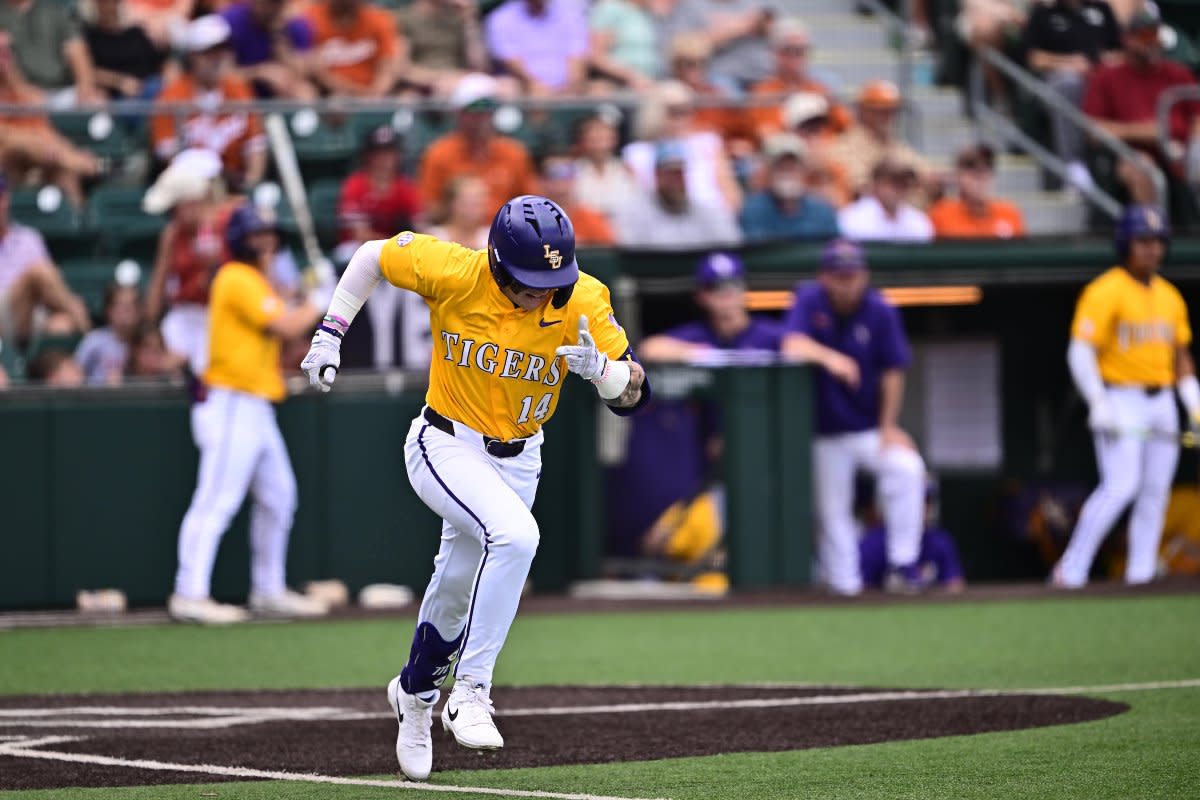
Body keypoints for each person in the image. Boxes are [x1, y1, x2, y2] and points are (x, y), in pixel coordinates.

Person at [299, 194, 649, 780]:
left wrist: (607, 374)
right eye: (531, 281)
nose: (543, 293)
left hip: (521, 456)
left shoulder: (584, 298)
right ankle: (471, 691)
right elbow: (371, 256)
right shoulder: (457, 272)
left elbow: (636, 394)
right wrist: (331, 331)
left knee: (457, 586)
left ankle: (414, 695)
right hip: (445, 442)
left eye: (553, 279)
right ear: (499, 264)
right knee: (516, 537)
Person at [169, 203, 333, 625]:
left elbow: (283, 305)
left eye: (269, 234)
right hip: (231, 402)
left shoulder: (257, 281)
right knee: (216, 500)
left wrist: (311, 287)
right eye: (257, 234)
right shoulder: (235, 276)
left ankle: (268, 589)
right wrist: (322, 301)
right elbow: (285, 326)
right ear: (241, 239)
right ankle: (189, 593)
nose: (266, 242)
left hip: (256, 405)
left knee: (279, 497)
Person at [1051, 205, 1198, 588]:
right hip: (1120, 396)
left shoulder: (1170, 296)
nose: (1152, 249)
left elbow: (1181, 357)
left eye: (1158, 242)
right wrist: (1098, 401)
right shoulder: (1105, 290)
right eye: (1143, 241)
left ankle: (1141, 573)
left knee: (1155, 493)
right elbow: (1080, 350)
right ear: (1126, 243)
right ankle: (1071, 569)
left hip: (1162, 400)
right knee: (1120, 486)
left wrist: (1194, 406)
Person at [781, 239, 927, 596]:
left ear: (865, 275)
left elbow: (894, 371)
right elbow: (791, 345)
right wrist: (831, 358)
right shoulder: (809, 298)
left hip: (868, 429)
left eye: (853, 275)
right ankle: (846, 585)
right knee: (833, 510)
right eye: (840, 275)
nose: (848, 283)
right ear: (825, 277)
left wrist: (889, 426)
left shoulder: (881, 309)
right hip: (824, 432)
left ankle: (903, 563)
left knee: (908, 468)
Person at [1082, 2, 1200, 203]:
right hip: (1130, 154)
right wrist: (1148, 132)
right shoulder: (1108, 76)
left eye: (1156, 36)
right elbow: (1092, 131)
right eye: (1146, 36)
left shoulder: (1178, 73)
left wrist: (1193, 144)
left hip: (1181, 153)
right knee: (1141, 167)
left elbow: (1197, 115)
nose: (1153, 43)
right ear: (1128, 39)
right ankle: (1152, 223)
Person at [151, 15, 267, 191]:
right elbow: (168, 156)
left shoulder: (239, 89)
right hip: (190, 188)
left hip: (235, 185)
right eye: (210, 53)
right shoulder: (172, 96)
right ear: (193, 56)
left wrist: (250, 185)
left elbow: (255, 145)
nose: (218, 59)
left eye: (224, 50)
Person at [143, 148, 230, 376]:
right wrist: (150, 328)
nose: (174, 214)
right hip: (184, 318)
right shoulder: (172, 233)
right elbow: (158, 285)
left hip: (222, 315)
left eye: (177, 206)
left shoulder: (228, 224)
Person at [1023, 0, 1122, 191]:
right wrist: (1069, 63)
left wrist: (1107, 61)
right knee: (1069, 83)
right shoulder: (1043, 13)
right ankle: (1073, 164)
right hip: (1056, 81)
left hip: (1100, 78)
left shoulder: (1101, 9)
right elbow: (1034, 59)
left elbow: (1119, 50)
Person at [0, 33, 103, 208]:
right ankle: (73, 161)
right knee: (22, 143)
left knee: (63, 173)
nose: (4, 58)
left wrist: (62, 151)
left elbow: (44, 130)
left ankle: (76, 219)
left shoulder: (23, 94)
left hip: (31, 163)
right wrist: (67, 157)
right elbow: (9, 137)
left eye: (6, 52)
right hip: (7, 161)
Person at [418, 73, 537, 217]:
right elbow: (430, 206)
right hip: (455, 229)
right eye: (474, 110)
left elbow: (530, 205)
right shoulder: (439, 153)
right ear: (459, 114)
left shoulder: (514, 154)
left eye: (488, 110)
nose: (482, 117)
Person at [0, 176, 91, 344]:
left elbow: (49, 287)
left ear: (7, 199)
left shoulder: (29, 238)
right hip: (3, 313)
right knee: (38, 273)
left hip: (31, 317)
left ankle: (87, 345)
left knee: (62, 326)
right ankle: (89, 331)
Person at [614, 139, 743, 249]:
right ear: (657, 175)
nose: (675, 181)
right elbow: (628, 253)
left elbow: (732, 244)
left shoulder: (705, 210)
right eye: (669, 174)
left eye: (679, 173)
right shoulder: (634, 211)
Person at [830, 80, 936, 204]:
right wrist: (910, 182)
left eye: (892, 111)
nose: (888, 117)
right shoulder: (845, 145)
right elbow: (863, 189)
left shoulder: (896, 144)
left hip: (904, 211)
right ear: (863, 110)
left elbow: (929, 177)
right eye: (880, 111)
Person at [857, 476, 966, 593]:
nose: (920, 508)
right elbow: (861, 590)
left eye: (926, 502)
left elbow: (955, 584)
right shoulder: (873, 543)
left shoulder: (940, 541)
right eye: (912, 502)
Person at [749, 17, 850, 138]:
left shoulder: (819, 89)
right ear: (775, 53)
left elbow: (843, 124)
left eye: (801, 51)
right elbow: (761, 132)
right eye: (788, 50)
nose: (795, 57)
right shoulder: (763, 93)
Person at [739, 133, 839, 242]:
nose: (787, 173)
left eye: (793, 167)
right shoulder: (754, 210)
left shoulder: (822, 210)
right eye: (780, 167)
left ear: (804, 171)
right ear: (769, 172)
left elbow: (834, 246)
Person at [0, 0, 103, 106]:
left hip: (61, 91)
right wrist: (21, 90)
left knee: (95, 105)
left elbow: (77, 51)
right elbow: (4, 61)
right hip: (13, 95)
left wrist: (86, 89)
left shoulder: (56, 11)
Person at [662, 0, 777, 93]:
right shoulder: (692, 6)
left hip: (764, 74)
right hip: (719, 77)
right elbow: (681, 46)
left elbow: (774, 24)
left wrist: (736, 25)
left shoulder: (758, 3)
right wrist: (739, 26)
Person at [484, 0, 588, 96]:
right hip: (523, 86)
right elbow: (510, 59)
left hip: (569, 88)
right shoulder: (502, 18)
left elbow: (577, 56)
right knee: (507, 88)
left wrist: (572, 86)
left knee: (595, 90)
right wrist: (536, 85)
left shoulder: (570, 14)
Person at [221, 0, 316, 99]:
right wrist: (259, 73)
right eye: (268, 2)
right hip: (243, 93)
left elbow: (302, 72)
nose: (273, 8)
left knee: (304, 91)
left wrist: (279, 36)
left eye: (278, 3)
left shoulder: (296, 25)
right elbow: (222, 74)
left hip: (279, 95)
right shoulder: (230, 22)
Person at [928, 144, 1026, 239]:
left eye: (988, 165)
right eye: (971, 166)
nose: (981, 173)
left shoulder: (1009, 214)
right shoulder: (940, 215)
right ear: (958, 175)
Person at [395, 0, 488, 96]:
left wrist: (469, 20)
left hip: (460, 82)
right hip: (421, 85)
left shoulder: (457, 17)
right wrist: (439, 78)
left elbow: (479, 65)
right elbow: (401, 69)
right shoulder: (404, 18)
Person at [83, 0, 169, 102]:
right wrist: (120, 82)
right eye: (103, 2)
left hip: (151, 88)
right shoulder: (90, 37)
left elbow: (160, 63)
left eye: (114, 2)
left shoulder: (136, 33)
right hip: (117, 98)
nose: (109, 6)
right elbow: (88, 71)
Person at [838, 158, 935, 243]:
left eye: (904, 183)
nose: (899, 188)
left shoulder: (918, 221)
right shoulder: (852, 218)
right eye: (893, 182)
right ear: (875, 184)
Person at [572, 112, 639, 225]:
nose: (599, 142)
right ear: (583, 140)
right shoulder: (573, 171)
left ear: (614, 139)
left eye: (604, 136)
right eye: (593, 137)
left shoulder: (627, 170)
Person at [537, 153, 613, 246]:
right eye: (553, 175)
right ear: (541, 180)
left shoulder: (591, 218)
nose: (560, 183)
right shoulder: (528, 220)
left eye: (567, 175)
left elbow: (608, 250)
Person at [588, 0, 664, 91]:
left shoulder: (647, 12)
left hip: (650, 83)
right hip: (617, 85)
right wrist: (633, 77)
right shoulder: (611, 8)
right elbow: (596, 55)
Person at [75, 282, 141, 385]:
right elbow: (76, 374)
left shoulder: (145, 342)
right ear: (108, 310)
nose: (125, 313)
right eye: (119, 307)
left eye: (130, 307)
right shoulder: (94, 340)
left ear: (139, 310)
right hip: (98, 393)